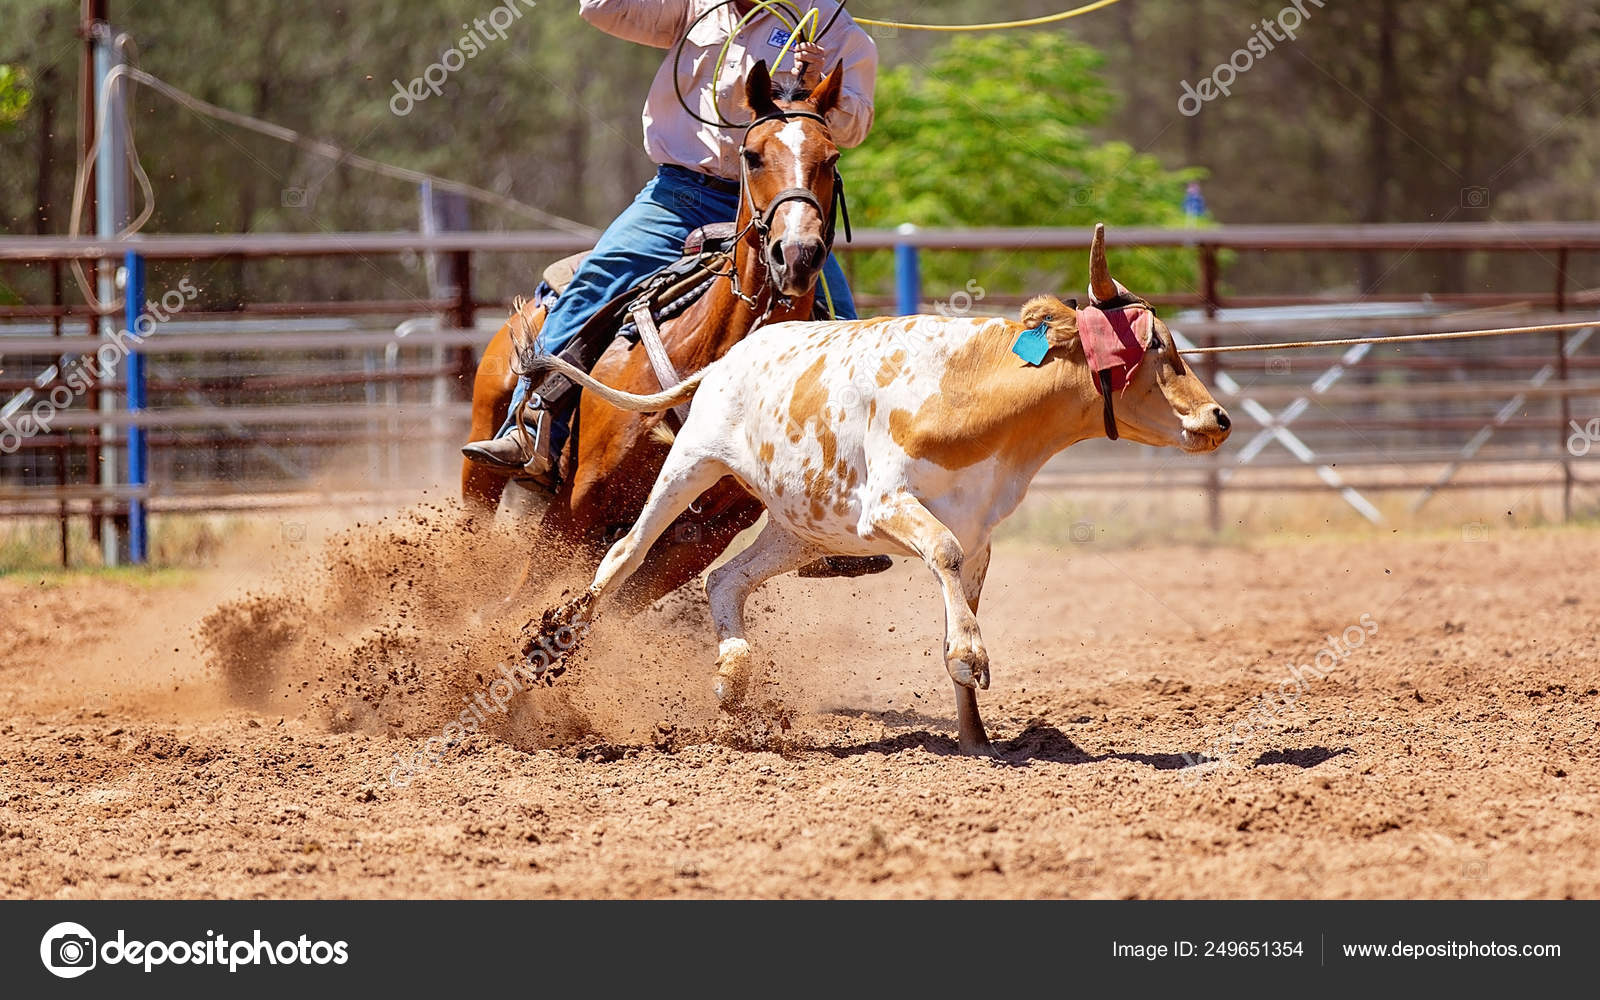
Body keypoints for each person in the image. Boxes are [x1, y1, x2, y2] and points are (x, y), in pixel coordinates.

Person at [463, 0, 878, 483]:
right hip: (681, 195)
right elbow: (601, 8)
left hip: (780, 204)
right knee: (598, 281)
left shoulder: (830, 25)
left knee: (842, 331)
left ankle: (841, 496)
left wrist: (819, 86)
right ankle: (532, 427)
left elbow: (854, 128)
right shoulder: (695, 8)